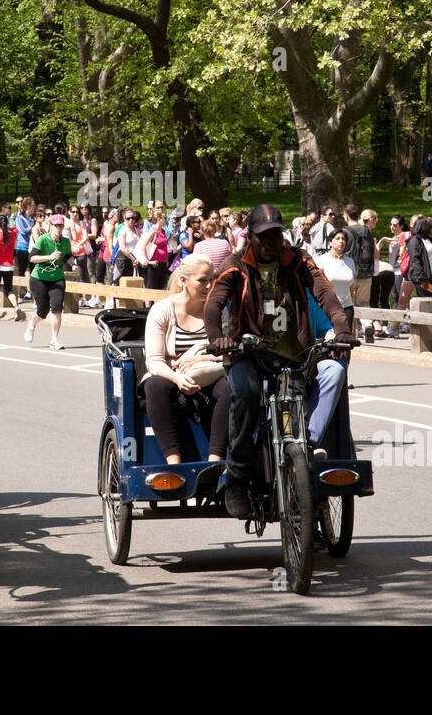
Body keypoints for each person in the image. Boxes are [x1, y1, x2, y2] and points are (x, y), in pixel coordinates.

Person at [204, 204, 355, 519]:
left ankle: (303, 456)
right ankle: (236, 478)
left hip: (293, 354)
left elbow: (326, 294)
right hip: (248, 352)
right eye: (264, 236)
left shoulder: (298, 260)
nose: (271, 242)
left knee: (317, 388)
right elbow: (214, 303)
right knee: (244, 396)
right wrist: (217, 336)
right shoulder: (236, 264)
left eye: (276, 235)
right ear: (251, 237)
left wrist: (341, 328)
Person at [143, 256, 233, 466]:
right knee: (155, 385)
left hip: (210, 372)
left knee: (231, 385)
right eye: (202, 280)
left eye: (212, 279)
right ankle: (173, 462)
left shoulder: (219, 309)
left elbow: (229, 350)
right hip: (172, 373)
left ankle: (215, 462)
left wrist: (199, 358)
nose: (209, 286)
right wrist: (177, 379)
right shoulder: (162, 310)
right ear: (183, 280)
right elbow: (154, 361)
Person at [25, 214, 71, 349]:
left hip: (57, 277)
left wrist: (74, 265)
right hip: (39, 277)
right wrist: (49, 257)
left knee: (57, 307)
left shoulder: (65, 241)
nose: (58, 228)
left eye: (60, 225)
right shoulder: (43, 240)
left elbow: (68, 256)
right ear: (51, 226)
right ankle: (31, 325)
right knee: (43, 310)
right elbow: (31, 258)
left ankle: (54, 339)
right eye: (56, 225)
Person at [344, 205, 377, 342]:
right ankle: (368, 324)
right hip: (366, 271)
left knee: (349, 302)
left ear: (346, 216)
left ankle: (352, 332)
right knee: (363, 301)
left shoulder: (345, 231)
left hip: (350, 272)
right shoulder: (367, 230)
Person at [0, 213, 22, 320]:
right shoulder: (12, 235)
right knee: (9, 290)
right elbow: (15, 228)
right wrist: (7, 228)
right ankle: (16, 307)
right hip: (9, 267)